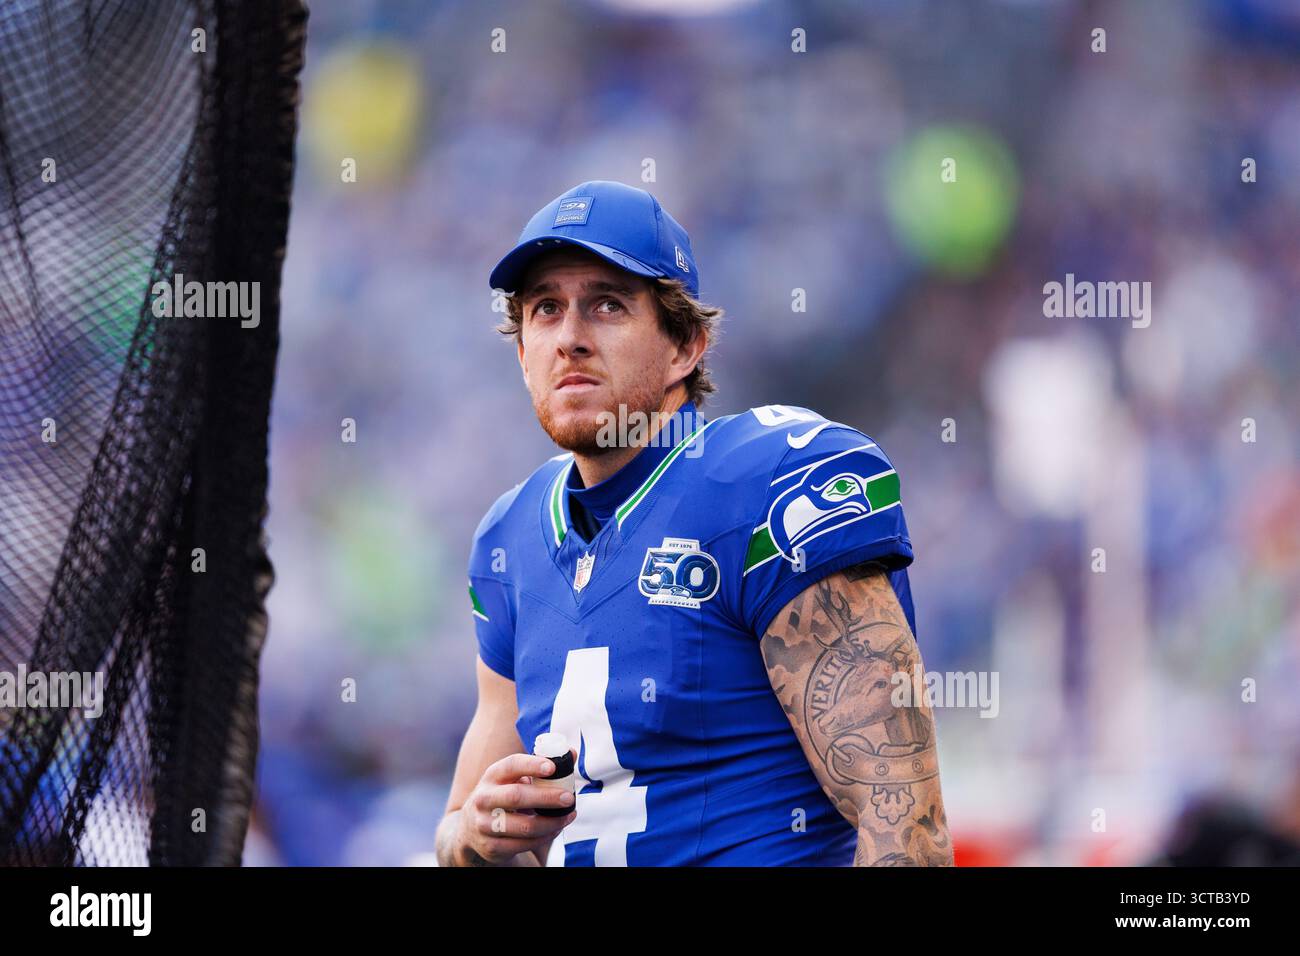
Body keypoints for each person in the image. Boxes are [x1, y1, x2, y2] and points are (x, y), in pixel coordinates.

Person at [434, 180, 952, 866]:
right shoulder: (509, 539)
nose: (570, 338)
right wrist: (479, 834)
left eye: (607, 305)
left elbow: (905, 825)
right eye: (545, 309)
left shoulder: (766, 483)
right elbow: (455, 830)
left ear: (685, 345)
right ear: (522, 350)